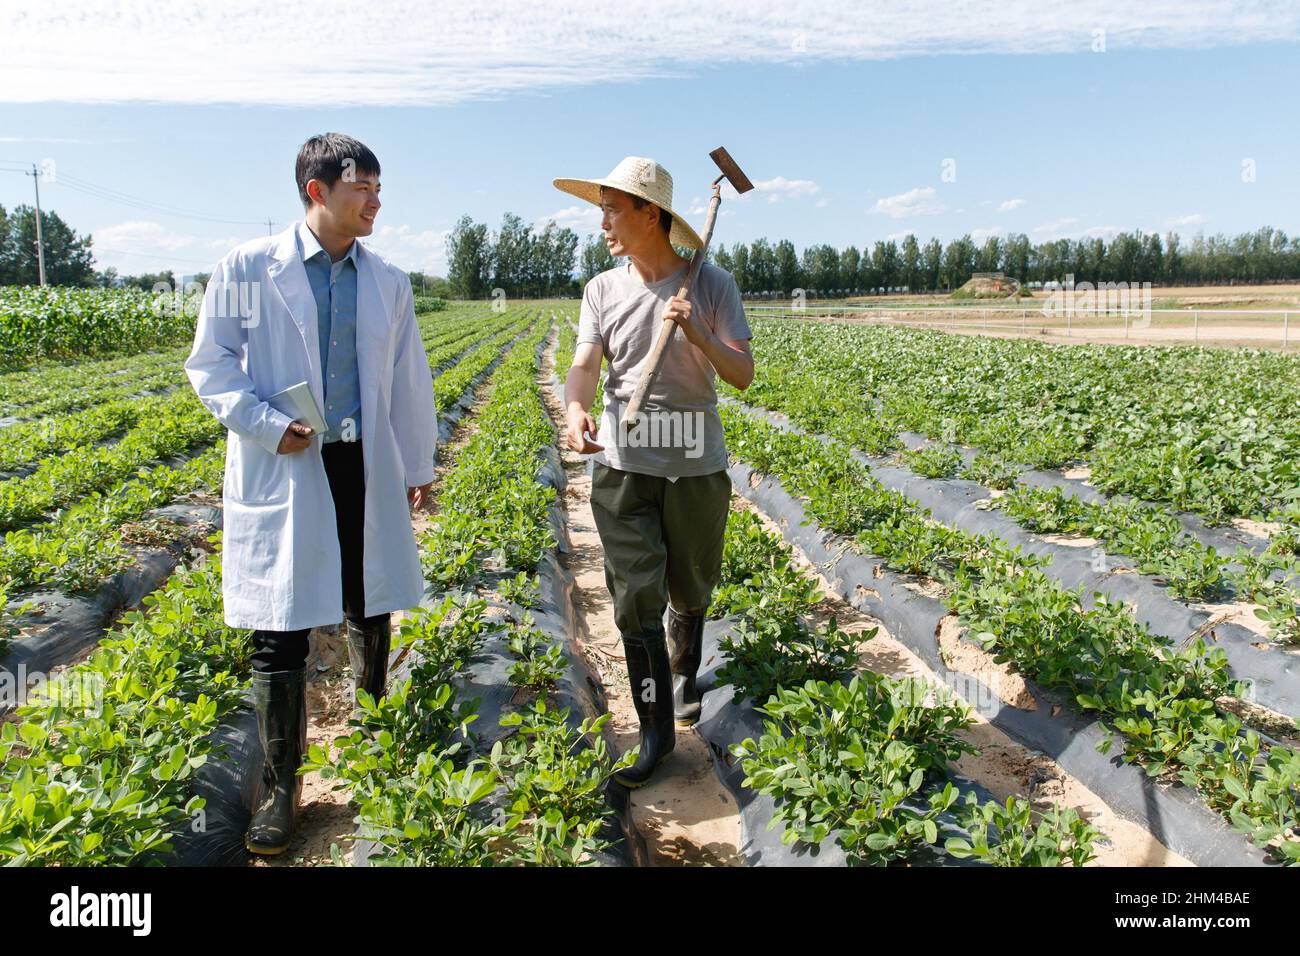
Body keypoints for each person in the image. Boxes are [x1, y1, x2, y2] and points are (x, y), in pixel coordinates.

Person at [185, 133, 436, 854]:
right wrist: (266, 423)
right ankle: (281, 787)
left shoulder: (387, 278)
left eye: (380, 189)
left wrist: (417, 465)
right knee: (279, 624)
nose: (376, 201)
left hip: (361, 462)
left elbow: (409, 377)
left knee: (370, 600)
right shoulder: (246, 268)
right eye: (364, 187)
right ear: (317, 191)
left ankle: (377, 747)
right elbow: (209, 364)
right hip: (287, 463)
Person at [554, 156, 754, 788]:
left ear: (652, 214)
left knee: (689, 588)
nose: (604, 222)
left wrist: (697, 331)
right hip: (622, 463)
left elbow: (742, 374)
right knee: (634, 597)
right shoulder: (602, 290)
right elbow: (586, 363)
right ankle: (655, 731)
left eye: (614, 208)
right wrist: (576, 405)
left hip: (694, 464)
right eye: (602, 209)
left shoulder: (711, 285)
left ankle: (685, 667)